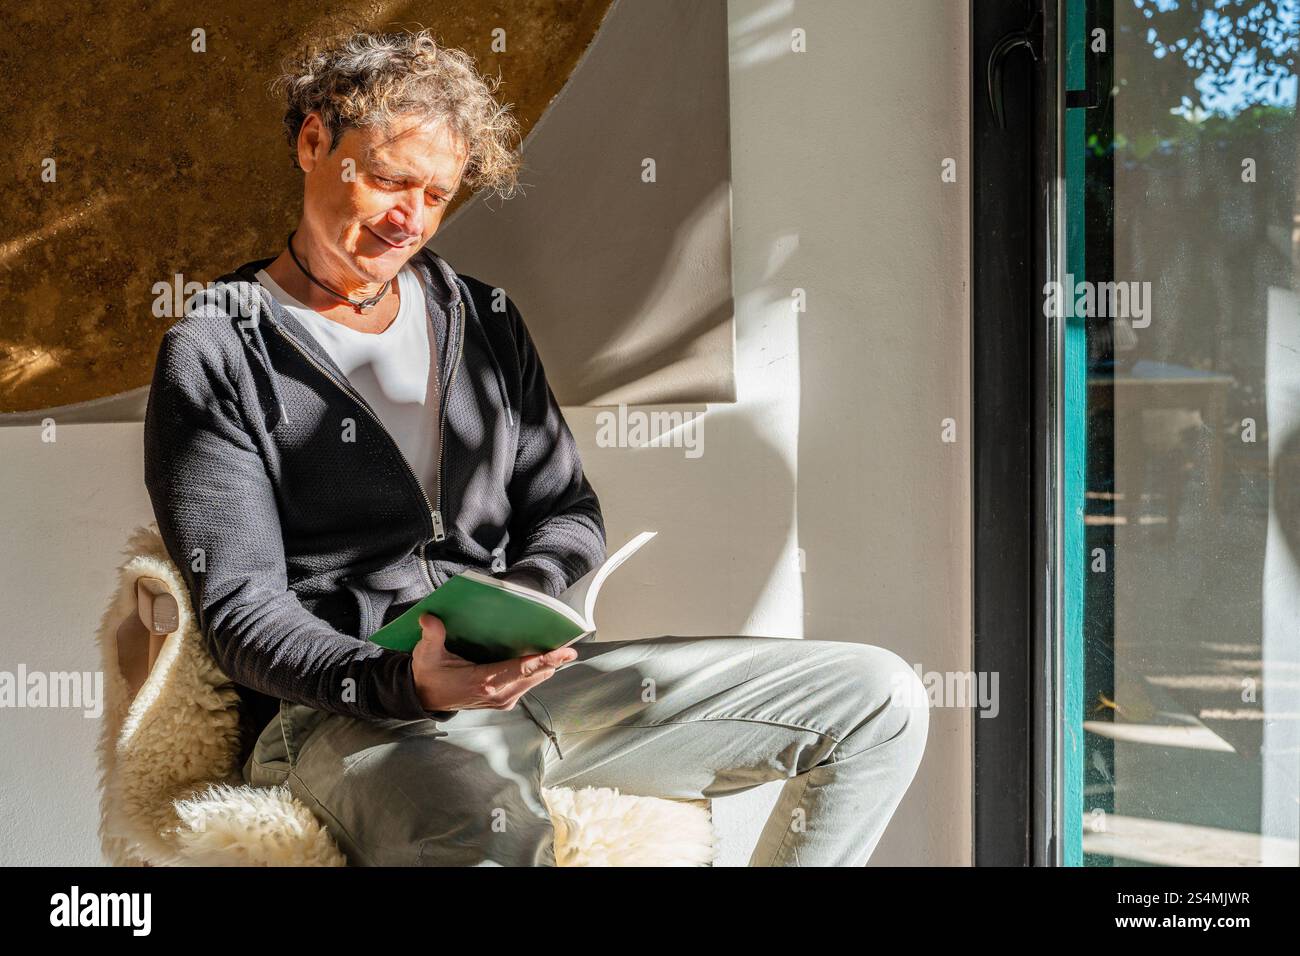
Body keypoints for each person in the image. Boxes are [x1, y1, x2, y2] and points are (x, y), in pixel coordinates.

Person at [143, 28, 929, 866]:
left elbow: (566, 511)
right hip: (351, 717)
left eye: (437, 195)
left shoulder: (481, 319)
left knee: (880, 699)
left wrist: (523, 597)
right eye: (387, 180)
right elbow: (243, 615)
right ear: (313, 143)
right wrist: (401, 681)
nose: (410, 218)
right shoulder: (217, 347)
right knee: (482, 835)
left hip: (540, 687)